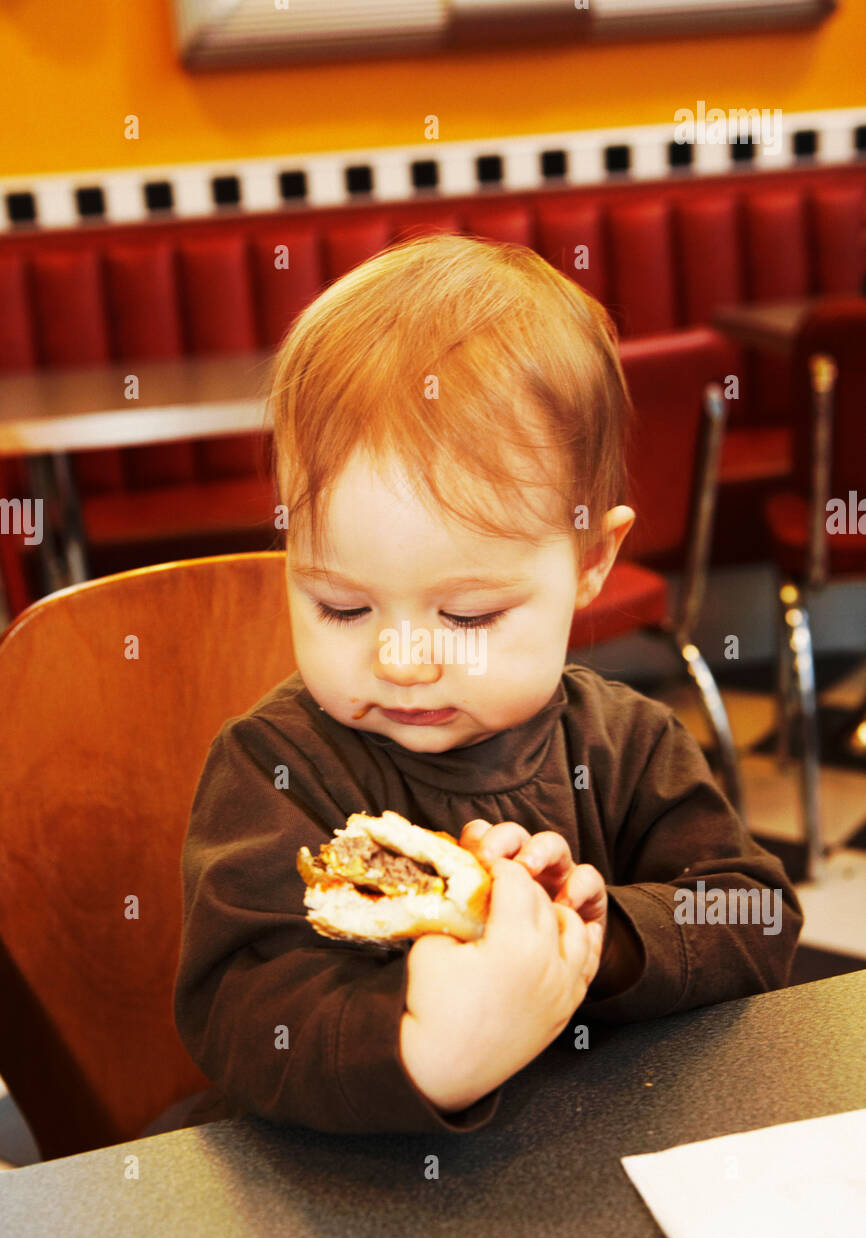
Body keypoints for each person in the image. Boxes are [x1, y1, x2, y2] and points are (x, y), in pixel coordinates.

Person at [158, 234, 803, 1138]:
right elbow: (237, 1008)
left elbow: (758, 916)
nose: (405, 660)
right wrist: (428, 1048)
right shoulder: (276, 768)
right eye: (342, 606)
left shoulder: (628, 744)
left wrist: (596, 936)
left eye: (466, 617)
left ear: (591, 562)